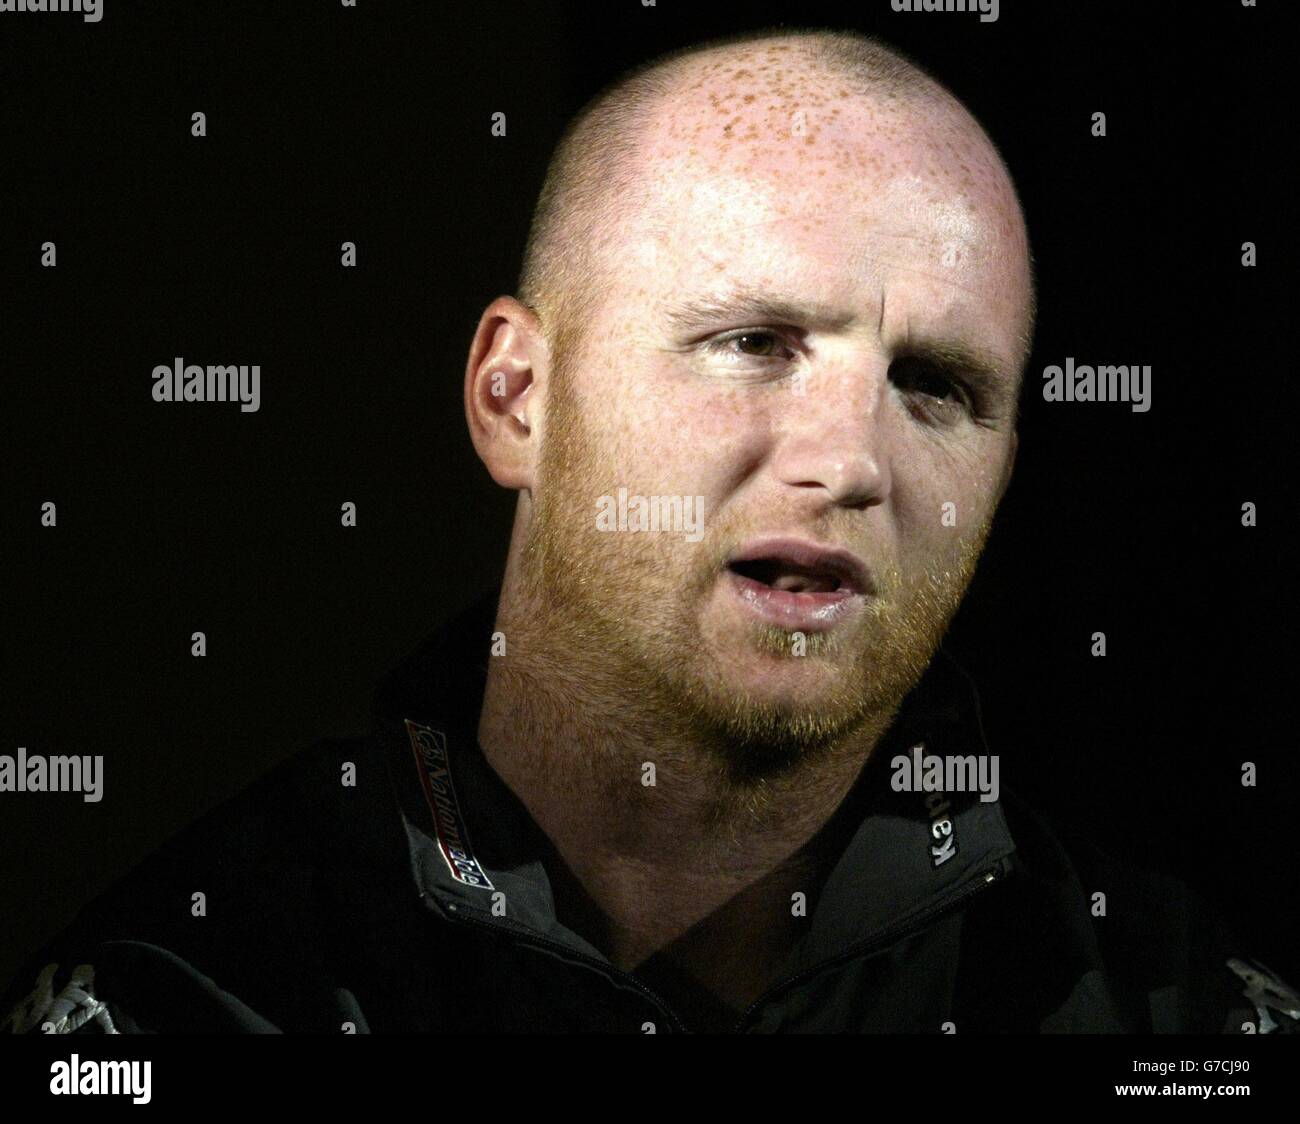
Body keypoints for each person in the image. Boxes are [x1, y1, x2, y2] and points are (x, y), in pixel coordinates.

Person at [4, 26, 1292, 1035]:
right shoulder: (196, 993)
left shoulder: (1171, 1013)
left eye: (935, 387)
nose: (851, 461)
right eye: (751, 344)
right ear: (517, 397)